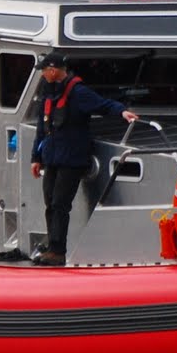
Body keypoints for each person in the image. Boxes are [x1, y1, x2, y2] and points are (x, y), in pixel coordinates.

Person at [29, 52, 138, 265]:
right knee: (50, 203)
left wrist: (122, 112)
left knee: (60, 204)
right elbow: (42, 128)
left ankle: (58, 251)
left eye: (44, 70)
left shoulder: (78, 92)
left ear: (53, 70)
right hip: (52, 158)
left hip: (71, 159)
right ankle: (52, 246)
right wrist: (36, 157)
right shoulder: (48, 94)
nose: (42, 74)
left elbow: (103, 104)